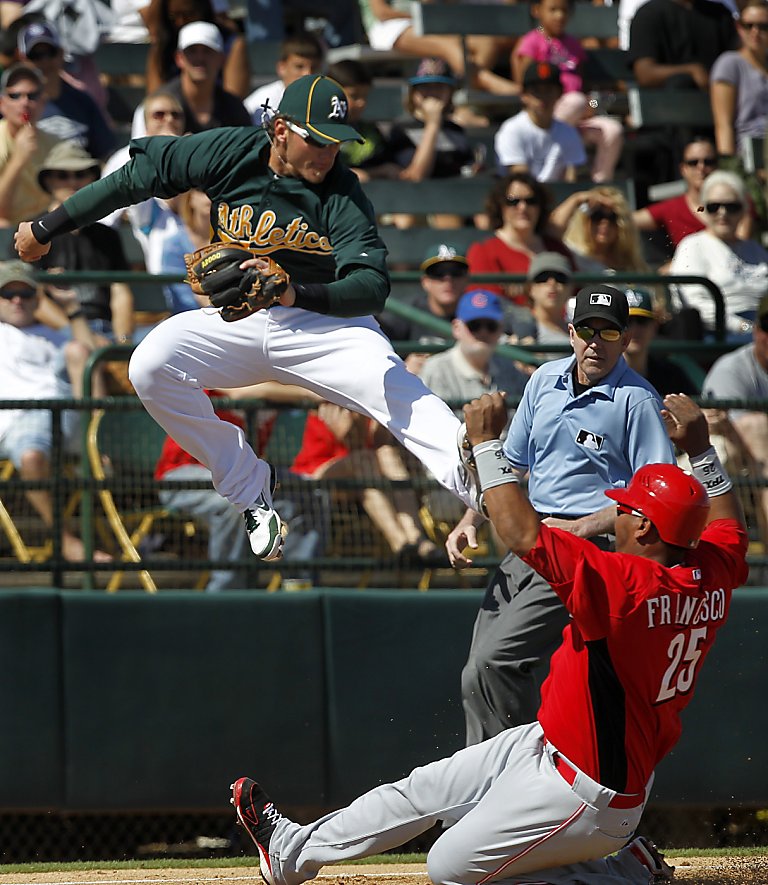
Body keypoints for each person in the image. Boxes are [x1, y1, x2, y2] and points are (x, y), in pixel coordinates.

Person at [229, 391, 747, 885]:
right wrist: (701, 450)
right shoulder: (712, 570)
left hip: (588, 792)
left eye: (629, 510)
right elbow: (732, 530)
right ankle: (290, 853)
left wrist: (486, 445)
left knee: (449, 869)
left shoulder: (623, 584)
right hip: (556, 745)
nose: (618, 511)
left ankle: (623, 871)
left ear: (650, 531)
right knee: (423, 790)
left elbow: (521, 534)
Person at [15, 74, 480, 564]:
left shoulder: (342, 189)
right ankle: (248, 489)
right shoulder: (227, 151)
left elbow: (372, 284)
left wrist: (295, 290)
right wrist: (49, 226)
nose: (327, 154)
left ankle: (482, 486)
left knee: (394, 386)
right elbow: (137, 177)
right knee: (150, 364)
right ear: (280, 130)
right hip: (239, 316)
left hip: (324, 325)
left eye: (336, 142)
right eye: (317, 140)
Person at [447, 284, 675, 745]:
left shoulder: (637, 400)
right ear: (570, 333)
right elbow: (510, 465)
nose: (596, 341)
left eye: (609, 331)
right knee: (477, 672)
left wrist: (579, 527)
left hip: (587, 553)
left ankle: (502, 781)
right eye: (588, 330)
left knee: (495, 663)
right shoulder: (542, 380)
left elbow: (654, 501)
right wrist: (470, 518)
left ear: (626, 338)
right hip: (529, 541)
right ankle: (488, 777)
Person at [0, 259, 111, 563]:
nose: (17, 300)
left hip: (65, 414)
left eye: (24, 293)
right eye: (8, 294)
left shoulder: (56, 335)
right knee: (31, 455)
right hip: (16, 422)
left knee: (79, 352)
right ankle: (64, 539)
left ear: (38, 299)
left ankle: (96, 443)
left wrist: (72, 308)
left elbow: (95, 354)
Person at [34, 141, 135, 396]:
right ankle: (98, 435)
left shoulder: (106, 236)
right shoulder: (31, 233)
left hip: (107, 330)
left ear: (92, 179)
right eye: (62, 175)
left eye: (80, 174)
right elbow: (32, 300)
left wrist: (121, 344)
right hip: (52, 335)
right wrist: (84, 335)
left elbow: (120, 293)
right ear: (48, 181)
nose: (72, 182)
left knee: (162, 352)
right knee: (81, 352)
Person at [290, 401, 442, 564]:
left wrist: (379, 416)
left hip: (363, 479)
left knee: (386, 453)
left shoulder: (370, 401)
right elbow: (352, 443)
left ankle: (413, 537)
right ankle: (400, 541)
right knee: (362, 461)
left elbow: (378, 442)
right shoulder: (326, 402)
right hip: (316, 474)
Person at [512, 0, 624, 183]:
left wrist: (592, 105)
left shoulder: (574, 44)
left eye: (564, 10)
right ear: (536, 10)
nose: (559, 16)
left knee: (613, 130)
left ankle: (601, 184)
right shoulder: (531, 42)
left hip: (578, 117)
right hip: (546, 117)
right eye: (553, 10)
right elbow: (523, 87)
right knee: (575, 101)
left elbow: (588, 93)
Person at [154, 389, 249, 591]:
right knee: (236, 500)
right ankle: (224, 599)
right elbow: (239, 392)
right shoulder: (220, 366)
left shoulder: (276, 383)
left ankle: (299, 591)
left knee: (301, 492)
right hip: (180, 476)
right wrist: (310, 393)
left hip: (236, 477)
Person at [668, 170, 768, 339]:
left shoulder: (755, 249)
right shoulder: (693, 246)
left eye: (732, 207)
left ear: (744, 209)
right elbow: (696, 305)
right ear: (704, 208)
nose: (723, 213)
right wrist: (745, 327)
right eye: (714, 207)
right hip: (720, 334)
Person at [701, 292, 768, 538]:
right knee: (757, 425)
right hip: (743, 466)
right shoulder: (733, 369)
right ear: (756, 330)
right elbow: (742, 433)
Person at [386, 57, 477, 230]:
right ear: (413, 93)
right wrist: (433, 123)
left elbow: (464, 167)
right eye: (425, 87)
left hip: (455, 199)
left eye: (439, 87)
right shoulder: (401, 129)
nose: (433, 92)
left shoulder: (456, 130)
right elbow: (416, 175)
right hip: (417, 203)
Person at [363, 0, 519, 96]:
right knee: (449, 48)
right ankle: (489, 84)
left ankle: (470, 95)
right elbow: (381, 12)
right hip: (391, 27)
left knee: (486, 43)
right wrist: (420, 17)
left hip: (427, 23)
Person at [466, 172, 574, 304]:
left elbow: (577, 294)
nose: (523, 207)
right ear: (500, 206)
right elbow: (482, 302)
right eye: (513, 201)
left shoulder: (556, 249)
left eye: (531, 201)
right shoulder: (484, 250)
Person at [131, 21, 251, 139]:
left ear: (221, 58)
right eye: (192, 51)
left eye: (207, 51)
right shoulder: (158, 107)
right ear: (179, 58)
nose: (200, 58)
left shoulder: (234, 108)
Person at [17, 20, 116, 162]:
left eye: (50, 53)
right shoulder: (14, 103)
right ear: (22, 58)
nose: (44, 61)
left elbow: (105, 154)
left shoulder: (83, 101)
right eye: (35, 55)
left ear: (61, 53)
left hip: (79, 179)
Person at [419, 289, 529, 404]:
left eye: (491, 326)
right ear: (457, 328)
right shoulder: (437, 370)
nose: (483, 332)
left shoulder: (510, 369)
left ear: (500, 329)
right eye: (474, 325)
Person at [494, 62, 587, 184]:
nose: (543, 97)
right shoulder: (512, 129)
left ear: (559, 94)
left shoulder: (568, 132)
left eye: (548, 90)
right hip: (522, 200)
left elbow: (571, 178)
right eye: (536, 91)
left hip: (558, 197)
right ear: (524, 95)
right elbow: (520, 181)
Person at [142, 0, 250, 99]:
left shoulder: (232, 44)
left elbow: (234, 99)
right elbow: (154, 98)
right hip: (173, 114)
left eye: (188, 14)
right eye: (174, 16)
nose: (181, 21)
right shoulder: (163, 45)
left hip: (219, 116)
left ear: (202, 9)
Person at [0, 62, 61, 228]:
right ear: (2, 103)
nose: (24, 102)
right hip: (9, 232)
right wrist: (19, 159)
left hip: (45, 230)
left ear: (43, 101)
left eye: (32, 95)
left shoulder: (56, 144)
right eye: (15, 96)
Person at [628, 0, 738, 90]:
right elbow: (645, 74)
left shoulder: (720, 14)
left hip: (722, 100)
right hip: (668, 106)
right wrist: (692, 71)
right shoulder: (649, 13)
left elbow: (741, 59)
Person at [325, 59, 401, 184]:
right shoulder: (318, 132)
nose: (362, 103)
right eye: (354, 96)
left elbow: (386, 165)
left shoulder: (370, 132)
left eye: (365, 96)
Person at [710, 0, 768, 162]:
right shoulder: (729, 64)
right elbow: (724, 125)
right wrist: (731, 167)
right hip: (748, 154)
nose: (756, 32)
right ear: (739, 28)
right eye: (749, 25)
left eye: (764, 27)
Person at [550, 185, 651, 275]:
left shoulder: (633, 265)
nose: (604, 223)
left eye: (612, 217)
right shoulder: (573, 254)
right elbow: (551, 231)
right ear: (584, 221)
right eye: (597, 216)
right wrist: (577, 199)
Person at [623, 287, 700, 395]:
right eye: (628, 322)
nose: (635, 330)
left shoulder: (672, 375)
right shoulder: (602, 374)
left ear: (654, 327)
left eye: (642, 321)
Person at [244, 32, 324, 128]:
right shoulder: (258, 102)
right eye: (299, 66)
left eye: (314, 67)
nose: (308, 73)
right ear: (281, 68)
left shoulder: (326, 101)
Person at [525, 251, 573, 347]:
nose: (552, 283)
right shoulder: (516, 328)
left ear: (570, 288)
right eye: (543, 278)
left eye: (560, 278)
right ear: (530, 288)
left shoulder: (580, 331)